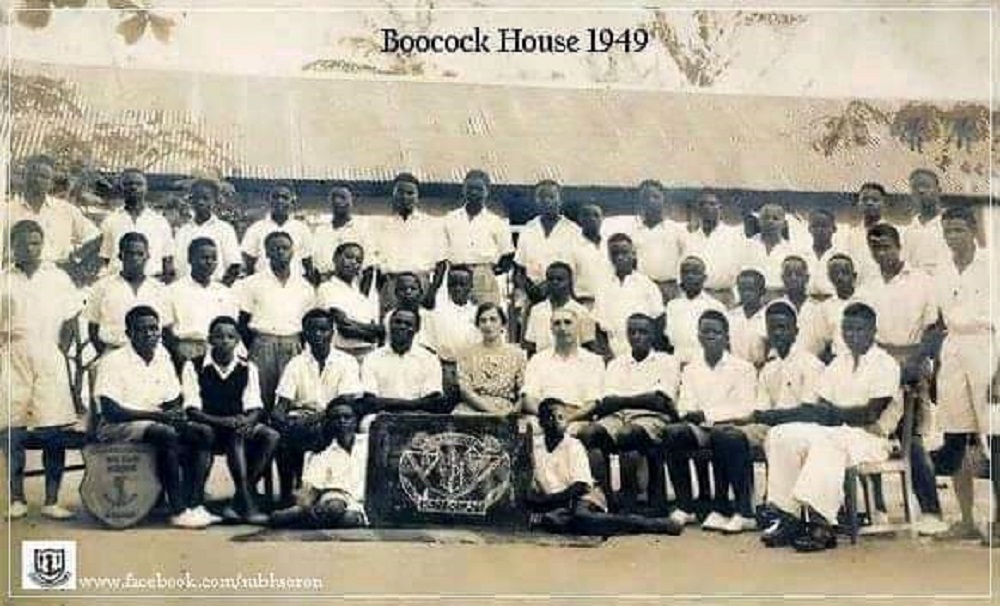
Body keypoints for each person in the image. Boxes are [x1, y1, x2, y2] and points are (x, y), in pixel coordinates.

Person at [760, 303, 901, 552]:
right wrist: (829, 414)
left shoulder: (885, 364)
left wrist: (832, 413)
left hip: (872, 438)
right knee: (782, 434)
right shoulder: (838, 363)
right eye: (847, 329)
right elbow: (821, 405)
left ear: (873, 331)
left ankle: (821, 524)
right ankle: (789, 515)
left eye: (859, 329)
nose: (852, 335)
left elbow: (870, 413)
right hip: (837, 430)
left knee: (828, 443)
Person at [94, 306, 217, 528]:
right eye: (142, 330)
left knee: (203, 432)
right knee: (164, 433)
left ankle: (195, 503)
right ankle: (178, 510)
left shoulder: (162, 357)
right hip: (118, 425)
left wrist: (177, 413)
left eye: (154, 328)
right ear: (129, 333)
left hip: (154, 420)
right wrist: (159, 416)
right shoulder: (113, 361)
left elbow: (171, 398)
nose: (150, 334)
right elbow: (111, 411)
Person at [0, 220, 84, 519]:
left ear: (42, 244)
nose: (29, 248)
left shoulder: (57, 278)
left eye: (35, 242)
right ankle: (17, 498)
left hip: (49, 354)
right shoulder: (4, 279)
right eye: (23, 243)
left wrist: (60, 352)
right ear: (13, 245)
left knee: (53, 431)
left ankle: (51, 500)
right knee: (12, 430)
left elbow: (72, 320)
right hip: (13, 356)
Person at [931, 206, 997, 541]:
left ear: (973, 229)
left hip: (988, 346)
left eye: (959, 229)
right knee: (955, 433)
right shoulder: (942, 270)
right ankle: (967, 519)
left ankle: (998, 521)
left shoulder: (992, 265)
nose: (953, 237)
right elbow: (939, 319)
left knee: (996, 434)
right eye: (948, 231)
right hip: (954, 348)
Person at [526, 399, 683, 537]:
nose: (556, 422)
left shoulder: (573, 445)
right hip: (557, 501)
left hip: (584, 497)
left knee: (582, 517)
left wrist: (549, 500)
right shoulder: (535, 446)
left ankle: (651, 525)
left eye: (561, 417)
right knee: (556, 520)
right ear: (540, 422)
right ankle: (561, 519)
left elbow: (580, 487)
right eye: (550, 418)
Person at [662, 310, 756, 529]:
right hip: (701, 428)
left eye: (716, 332)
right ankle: (686, 506)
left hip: (731, 426)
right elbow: (685, 405)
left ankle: (740, 510)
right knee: (672, 433)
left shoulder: (743, 368)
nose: (711, 336)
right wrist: (698, 417)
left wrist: (707, 415)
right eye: (706, 332)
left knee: (725, 437)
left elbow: (744, 407)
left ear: (726, 336)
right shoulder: (692, 369)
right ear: (699, 336)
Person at [181, 316, 279, 524]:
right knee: (234, 433)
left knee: (270, 436)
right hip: (208, 427)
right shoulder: (194, 366)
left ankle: (237, 500)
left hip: (237, 426)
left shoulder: (247, 367)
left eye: (230, 337)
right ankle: (247, 502)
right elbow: (192, 409)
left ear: (237, 341)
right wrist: (224, 421)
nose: (224, 341)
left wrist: (248, 421)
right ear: (210, 339)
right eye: (218, 336)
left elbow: (255, 406)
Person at [579, 314, 680, 511]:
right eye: (632, 332)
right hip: (617, 416)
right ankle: (605, 498)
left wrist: (623, 399)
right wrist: (642, 398)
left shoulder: (666, 361)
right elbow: (607, 402)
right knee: (589, 433)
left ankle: (629, 500)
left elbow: (660, 402)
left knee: (628, 435)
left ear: (653, 335)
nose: (637, 336)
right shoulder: (617, 363)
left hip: (651, 418)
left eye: (642, 332)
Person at [273, 309, 364, 506]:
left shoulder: (346, 362)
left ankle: (317, 490)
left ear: (332, 333)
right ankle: (288, 495)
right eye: (312, 330)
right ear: (304, 333)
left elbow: (346, 400)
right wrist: (282, 422)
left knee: (318, 430)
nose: (318, 335)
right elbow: (282, 404)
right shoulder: (296, 363)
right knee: (281, 437)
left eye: (323, 330)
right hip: (302, 419)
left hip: (334, 419)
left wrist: (314, 418)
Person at [236, 231, 317, 412]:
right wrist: (256, 346)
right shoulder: (252, 283)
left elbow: (308, 325)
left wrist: (299, 346)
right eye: (275, 248)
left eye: (285, 248)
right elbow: (242, 322)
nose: (281, 252)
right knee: (261, 398)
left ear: (293, 252)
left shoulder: (304, 287)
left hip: (293, 344)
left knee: (290, 399)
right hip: (263, 344)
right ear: (266, 253)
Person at [269, 401, 369, 529]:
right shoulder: (323, 451)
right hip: (335, 496)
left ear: (355, 421)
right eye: (336, 418)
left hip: (363, 501)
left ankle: (300, 517)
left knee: (348, 519)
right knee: (335, 507)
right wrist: (304, 502)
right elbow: (313, 489)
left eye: (347, 417)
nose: (342, 421)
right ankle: (303, 514)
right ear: (329, 423)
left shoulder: (368, 443)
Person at [2, 154, 100, 268]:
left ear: (51, 182)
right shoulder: (6, 212)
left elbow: (97, 239)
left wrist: (75, 258)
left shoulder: (66, 211)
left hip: (56, 278)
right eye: (33, 174)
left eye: (44, 177)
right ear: (24, 176)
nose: (37, 180)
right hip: (19, 278)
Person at [522, 307, 606, 434]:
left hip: (577, 419)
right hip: (543, 417)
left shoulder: (593, 361)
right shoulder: (538, 360)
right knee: (524, 429)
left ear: (578, 327)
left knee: (577, 432)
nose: (562, 328)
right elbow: (528, 397)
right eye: (557, 323)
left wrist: (565, 418)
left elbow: (593, 402)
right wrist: (548, 417)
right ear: (551, 329)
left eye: (567, 322)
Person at [86, 232, 172, 355]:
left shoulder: (159, 290)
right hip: (113, 353)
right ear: (121, 256)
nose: (135, 259)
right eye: (130, 254)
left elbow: (166, 330)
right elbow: (93, 327)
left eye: (140, 254)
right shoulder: (102, 287)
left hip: (150, 357)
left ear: (147, 256)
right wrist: (105, 355)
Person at [360, 309, 449, 426]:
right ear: (389, 326)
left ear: (417, 329)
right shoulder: (372, 358)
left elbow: (433, 401)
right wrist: (414, 404)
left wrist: (404, 407)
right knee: (367, 425)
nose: (402, 326)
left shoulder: (429, 358)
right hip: (381, 416)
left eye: (408, 324)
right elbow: (369, 401)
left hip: (418, 415)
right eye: (397, 322)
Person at [163, 238, 240, 371]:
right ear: (190, 259)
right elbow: (166, 329)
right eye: (204, 257)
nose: (209, 262)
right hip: (185, 349)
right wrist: (178, 353)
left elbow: (232, 327)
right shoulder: (173, 290)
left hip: (218, 350)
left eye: (213, 258)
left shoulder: (224, 292)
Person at [375, 173, 446, 314]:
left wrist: (432, 291)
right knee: (391, 326)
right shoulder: (382, 225)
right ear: (393, 195)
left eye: (410, 193)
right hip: (392, 284)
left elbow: (441, 263)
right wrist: (383, 288)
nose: (405, 197)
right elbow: (376, 263)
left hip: (420, 284)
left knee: (422, 327)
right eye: (400, 192)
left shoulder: (431, 224)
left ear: (417, 196)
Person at [442, 170, 514, 306]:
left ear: (487, 191)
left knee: (485, 314)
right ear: (463, 190)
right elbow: (441, 250)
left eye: (479, 189)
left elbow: (508, 255)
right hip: (457, 274)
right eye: (470, 188)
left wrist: (488, 272)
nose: (474, 192)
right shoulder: (450, 218)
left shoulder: (497, 221)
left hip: (483, 274)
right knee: (456, 314)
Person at [512, 180, 585, 305]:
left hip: (564, 297)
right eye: (542, 197)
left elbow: (579, 270)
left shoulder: (574, 231)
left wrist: (550, 285)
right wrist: (529, 289)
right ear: (536, 201)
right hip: (533, 297)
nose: (547, 201)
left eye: (551, 197)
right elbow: (519, 269)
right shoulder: (528, 229)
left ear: (560, 200)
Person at [592, 233, 664, 359]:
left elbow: (658, 321)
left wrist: (649, 352)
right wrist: (606, 353)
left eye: (624, 253)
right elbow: (599, 326)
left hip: (642, 352)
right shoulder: (603, 287)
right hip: (614, 351)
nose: (620, 257)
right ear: (609, 257)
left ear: (633, 254)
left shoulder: (647, 285)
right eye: (615, 253)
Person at [99, 168, 175, 281]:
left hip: (151, 286)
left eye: (139, 184)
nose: (134, 187)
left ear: (146, 188)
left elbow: (167, 260)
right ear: (121, 188)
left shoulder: (160, 222)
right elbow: (105, 259)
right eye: (128, 184)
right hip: (118, 285)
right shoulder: (110, 221)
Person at [455, 303, 527, 416]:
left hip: (505, 408)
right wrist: (491, 411)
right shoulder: (467, 354)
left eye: (493, 319)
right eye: (483, 321)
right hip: (473, 408)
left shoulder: (517, 354)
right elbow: (465, 390)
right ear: (478, 325)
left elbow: (524, 389)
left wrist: (514, 411)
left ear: (503, 324)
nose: (488, 325)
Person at [423, 265, 480, 404]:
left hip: (472, 369)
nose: (457, 288)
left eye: (462, 284)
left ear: (471, 286)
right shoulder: (437, 313)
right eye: (453, 285)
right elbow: (429, 347)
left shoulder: (477, 313)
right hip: (445, 369)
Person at [316, 242, 382, 360]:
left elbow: (375, 327)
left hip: (368, 353)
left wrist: (373, 331)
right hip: (343, 354)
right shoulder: (327, 288)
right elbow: (345, 328)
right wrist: (373, 335)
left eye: (358, 260)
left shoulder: (358, 293)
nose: (353, 262)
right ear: (335, 258)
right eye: (349, 257)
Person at [680, 191, 744, 307]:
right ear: (697, 210)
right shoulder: (689, 238)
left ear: (720, 208)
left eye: (712, 204)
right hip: (698, 297)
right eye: (703, 204)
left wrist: (738, 298)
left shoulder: (734, 235)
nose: (707, 208)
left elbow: (742, 268)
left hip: (725, 296)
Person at [173, 178, 242, 285]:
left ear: (215, 200)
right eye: (196, 198)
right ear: (191, 200)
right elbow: (177, 266)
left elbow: (234, 266)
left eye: (206, 198)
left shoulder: (225, 230)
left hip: (215, 291)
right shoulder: (182, 232)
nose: (200, 202)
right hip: (186, 292)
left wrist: (220, 290)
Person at [522, 262, 597, 356]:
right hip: (543, 366)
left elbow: (589, 346)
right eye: (550, 279)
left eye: (560, 279)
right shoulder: (537, 311)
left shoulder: (581, 312)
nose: (555, 283)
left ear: (569, 282)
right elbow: (531, 347)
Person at [241, 184, 315, 278]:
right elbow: (249, 263)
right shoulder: (255, 229)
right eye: (275, 197)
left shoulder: (302, 229)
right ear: (269, 201)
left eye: (284, 197)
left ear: (292, 201)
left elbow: (308, 263)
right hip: (263, 284)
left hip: (294, 284)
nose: (280, 201)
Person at [629, 180, 685, 303]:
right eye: (646, 197)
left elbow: (685, 257)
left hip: (669, 287)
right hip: (642, 288)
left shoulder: (676, 229)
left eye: (656, 197)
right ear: (641, 202)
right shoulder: (633, 231)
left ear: (663, 199)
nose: (651, 201)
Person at [664, 255, 726, 365]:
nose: (690, 276)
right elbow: (669, 339)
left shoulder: (715, 306)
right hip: (677, 361)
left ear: (704, 277)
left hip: (704, 364)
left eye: (695, 273)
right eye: (686, 272)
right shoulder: (672, 306)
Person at [312, 185, 378, 287]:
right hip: (326, 285)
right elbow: (315, 267)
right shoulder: (321, 231)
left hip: (352, 285)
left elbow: (368, 269)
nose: (338, 201)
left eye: (343, 197)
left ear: (351, 201)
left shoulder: (361, 230)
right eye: (334, 198)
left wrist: (361, 297)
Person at [744, 202, 802, 300]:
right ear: (759, 222)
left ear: (784, 224)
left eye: (775, 218)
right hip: (752, 297)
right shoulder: (746, 245)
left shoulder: (791, 249)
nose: (770, 221)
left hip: (781, 297)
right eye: (766, 218)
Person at [772, 256, 824, 356]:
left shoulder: (818, 308)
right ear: (782, 278)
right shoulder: (775, 307)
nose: (793, 278)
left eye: (798, 274)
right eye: (789, 274)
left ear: (807, 278)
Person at [902, 169, 950, 276]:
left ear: (939, 190)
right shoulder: (908, 231)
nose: (921, 191)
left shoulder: (951, 223)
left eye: (926, 186)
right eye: (915, 188)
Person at [817, 254, 861, 362]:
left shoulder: (865, 302)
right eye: (835, 273)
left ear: (854, 276)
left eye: (845, 272)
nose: (840, 277)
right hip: (837, 362)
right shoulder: (825, 307)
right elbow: (825, 343)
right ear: (829, 277)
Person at [844, 182, 889, 286]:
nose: (869, 203)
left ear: (884, 204)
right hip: (857, 289)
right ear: (858, 204)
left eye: (875, 200)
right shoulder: (851, 235)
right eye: (865, 199)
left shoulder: (893, 233)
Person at [573, 203, 614, 308]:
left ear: (602, 219)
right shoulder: (572, 246)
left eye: (596, 215)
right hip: (583, 302)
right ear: (580, 219)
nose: (591, 218)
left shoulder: (610, 244)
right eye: (587, 215)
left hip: (609, 302)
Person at [726, 268, 768, 368]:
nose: (746, 294)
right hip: (733, 371)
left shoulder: (768, 317)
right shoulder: (730, 316)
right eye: (742, 289)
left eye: (750, 289)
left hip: (759, 371)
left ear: (762, 291)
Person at [802, 209, 843, 300]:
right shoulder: (802, 255)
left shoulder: (841, 254)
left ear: (834, 229)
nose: (820, 230)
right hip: (807, 301)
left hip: (833, 300)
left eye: (824, 226)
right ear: (809, 229)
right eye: (815, 226)